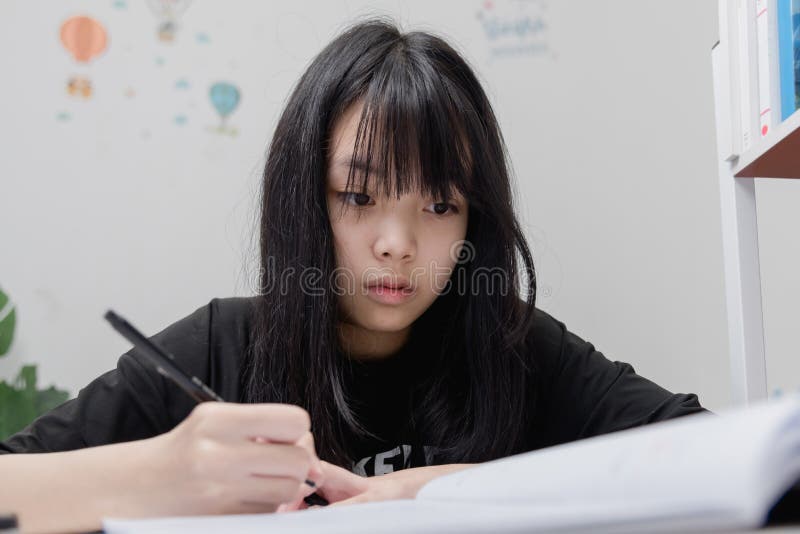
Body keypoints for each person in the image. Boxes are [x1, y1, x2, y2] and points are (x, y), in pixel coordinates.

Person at [0, 18, 707, 532]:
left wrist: (445, 493)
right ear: (303, 198)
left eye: (439, 203)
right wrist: (166, 472)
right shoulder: (220, 344)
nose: (397, 244)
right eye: (358, 197)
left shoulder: (515, 347)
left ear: (473, 224)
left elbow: (726, 460)